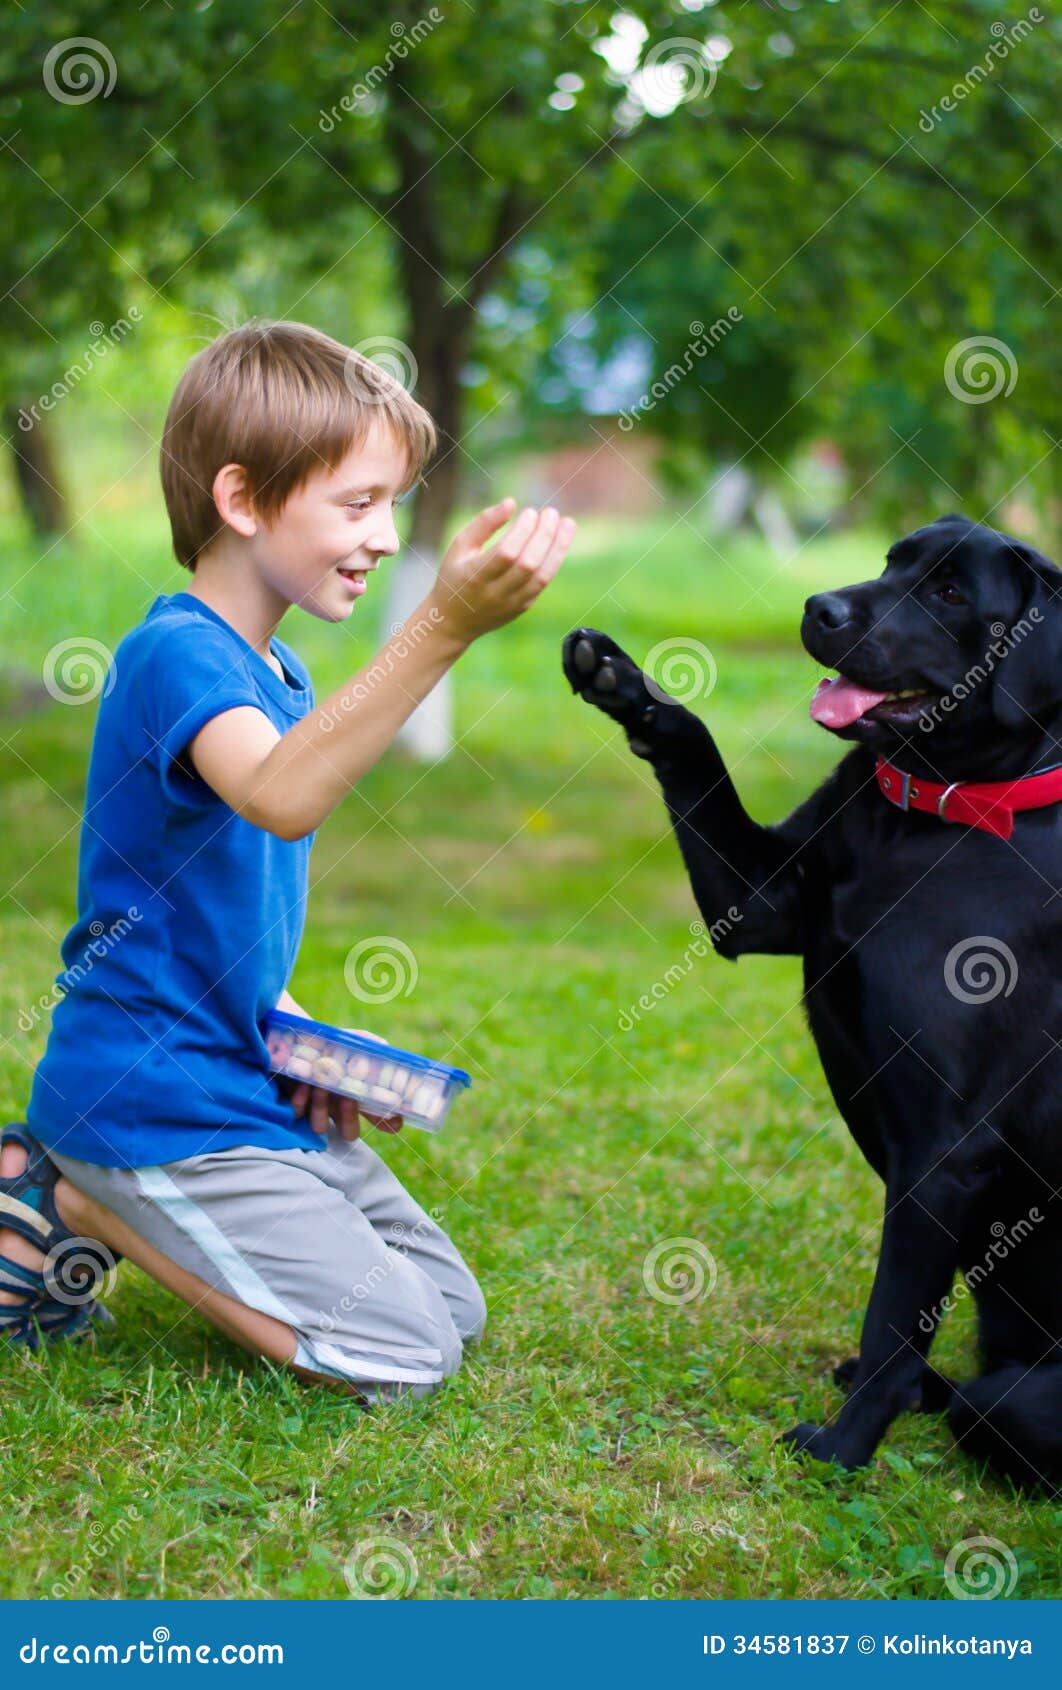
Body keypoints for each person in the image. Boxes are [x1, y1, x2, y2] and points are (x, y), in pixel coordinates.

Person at [0, 319, 575, 1398]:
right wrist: (442, 627)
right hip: (152, 1100)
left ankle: (97, 1195)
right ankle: (78, 1199)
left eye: (393, 505)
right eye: (357, 504)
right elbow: (280, 794)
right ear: (242, 499)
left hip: (234, 1079)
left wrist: (305, 1041)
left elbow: (219, 913)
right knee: (406, 1354)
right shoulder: (173, 654)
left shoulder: (281, 674)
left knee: (453, 1309)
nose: (382, 535)